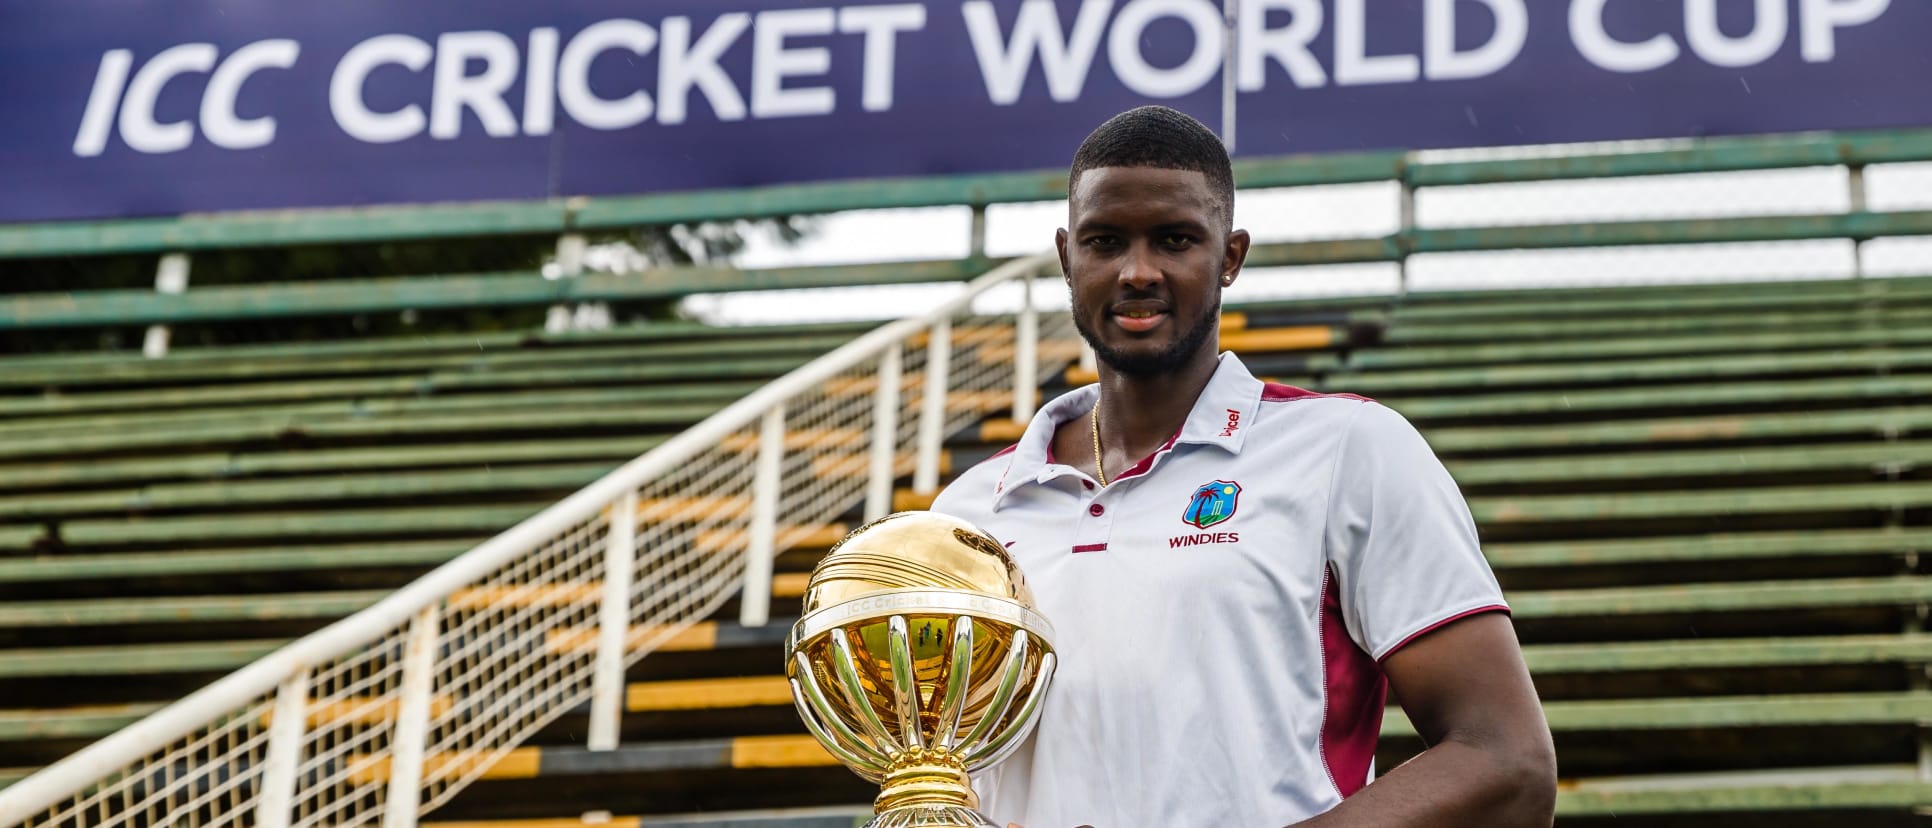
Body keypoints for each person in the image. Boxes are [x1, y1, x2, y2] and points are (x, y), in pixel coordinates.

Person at [928, 106, 1556, 827]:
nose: (1137, 271)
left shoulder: (1348, 448)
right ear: (1069, 257)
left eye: (1174, 240)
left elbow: (1507, 761)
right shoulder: (965, 513)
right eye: (1106, 242)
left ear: (1229, 256)